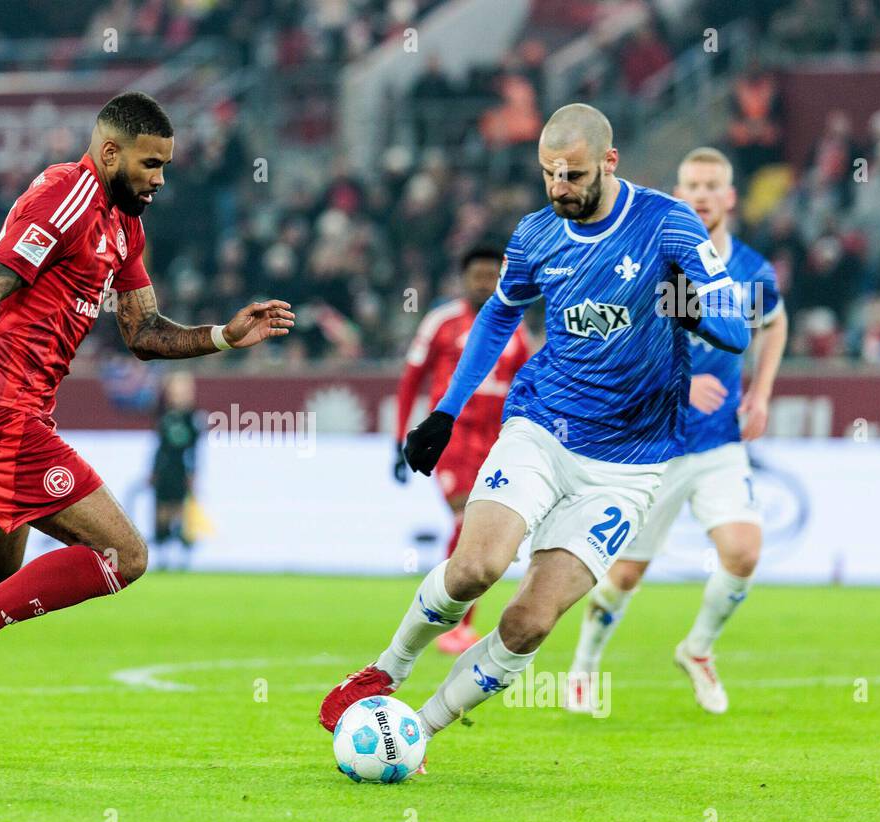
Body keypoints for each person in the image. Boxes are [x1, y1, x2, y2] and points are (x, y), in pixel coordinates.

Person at [0, 92, 293, 769]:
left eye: (167, 166)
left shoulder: (124, 228)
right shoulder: (68, 193)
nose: (160, 179)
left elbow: (142, 332)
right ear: (111, 152)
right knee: (125, 554)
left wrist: (222, 336)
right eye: (151, 164)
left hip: (4, 408)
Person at [318, 104, 749, 747]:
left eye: (572, 175)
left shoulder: (667, 223)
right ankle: (385, 671)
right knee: (476, 569)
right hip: (543, 425)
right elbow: (498, 317)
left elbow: (736, 327)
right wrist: (445, 411)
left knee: (530, 623)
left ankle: (418, 733)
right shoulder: (536, 234)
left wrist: (690, 310)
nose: (559, 188)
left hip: (629, 463)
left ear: (609, 162)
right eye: (548, 174)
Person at [567, 147, 787, 715]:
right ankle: (584, 667)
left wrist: (760, 394)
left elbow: (774, 321)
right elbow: (611, 339)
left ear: (730, 197)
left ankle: (698, 649)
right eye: (692, 185)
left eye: (713, 185)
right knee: (624, 574)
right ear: (678, 194)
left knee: (742, 552)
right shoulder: (652, 263)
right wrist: (678, 384)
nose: (703, 194)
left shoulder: (750, 271)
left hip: (717, 444)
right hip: (653, 443)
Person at [393, 245, 530, 652]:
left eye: (492, 276)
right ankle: (453, 621)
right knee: (466, 518)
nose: (484, 283)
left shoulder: (516, 330)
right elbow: (410, 381)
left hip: (494, 441)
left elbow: (525, 386)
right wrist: (398, 439)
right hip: (452, 438)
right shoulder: (442, 322)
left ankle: (453, 619)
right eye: (477, 276)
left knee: (486, 531)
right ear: (464, 279)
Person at [150, 371, 202, 571]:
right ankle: (163, 556)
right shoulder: (162, 415)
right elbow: (159, 446)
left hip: (181, 471)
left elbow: (194, 450)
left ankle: (182, 557)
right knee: (162, 513)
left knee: (180, 513)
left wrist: (193, 473)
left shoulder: (193, 417)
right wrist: (154, 470)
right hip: (165, 470)